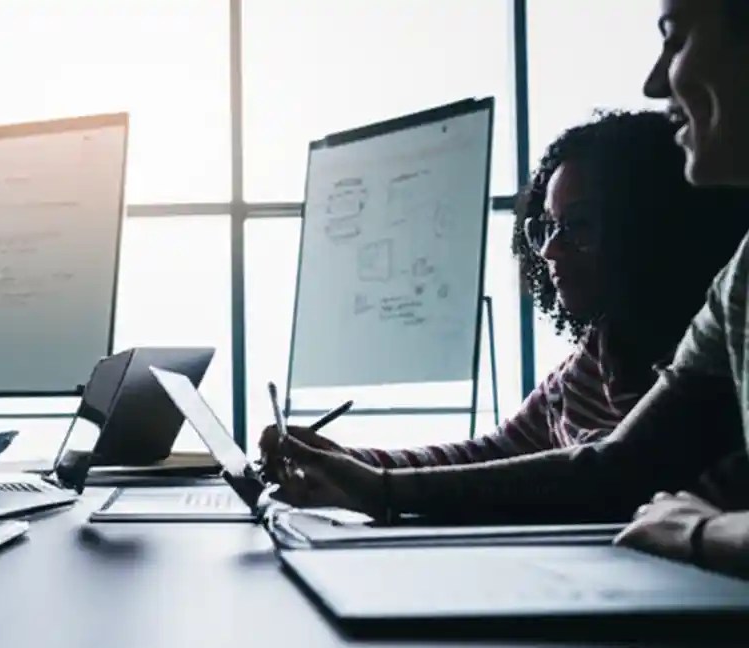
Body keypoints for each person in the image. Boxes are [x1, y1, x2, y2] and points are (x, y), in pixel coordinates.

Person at [263, 0, 749, 577]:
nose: (653, 81)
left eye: (675, 39)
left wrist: (701, 533)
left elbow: (618, 478)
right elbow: (619, 466)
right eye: (548, 228)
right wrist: (365, 476)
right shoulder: (732, 283)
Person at [263, 110, 749, 472]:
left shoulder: (707, 357)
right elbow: (494, 452)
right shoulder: (596, 355)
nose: (551, 252)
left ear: (646, 228)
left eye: (578, 226)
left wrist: (373, 485)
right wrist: (349, 462)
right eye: (546, 228)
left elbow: (607, 474)